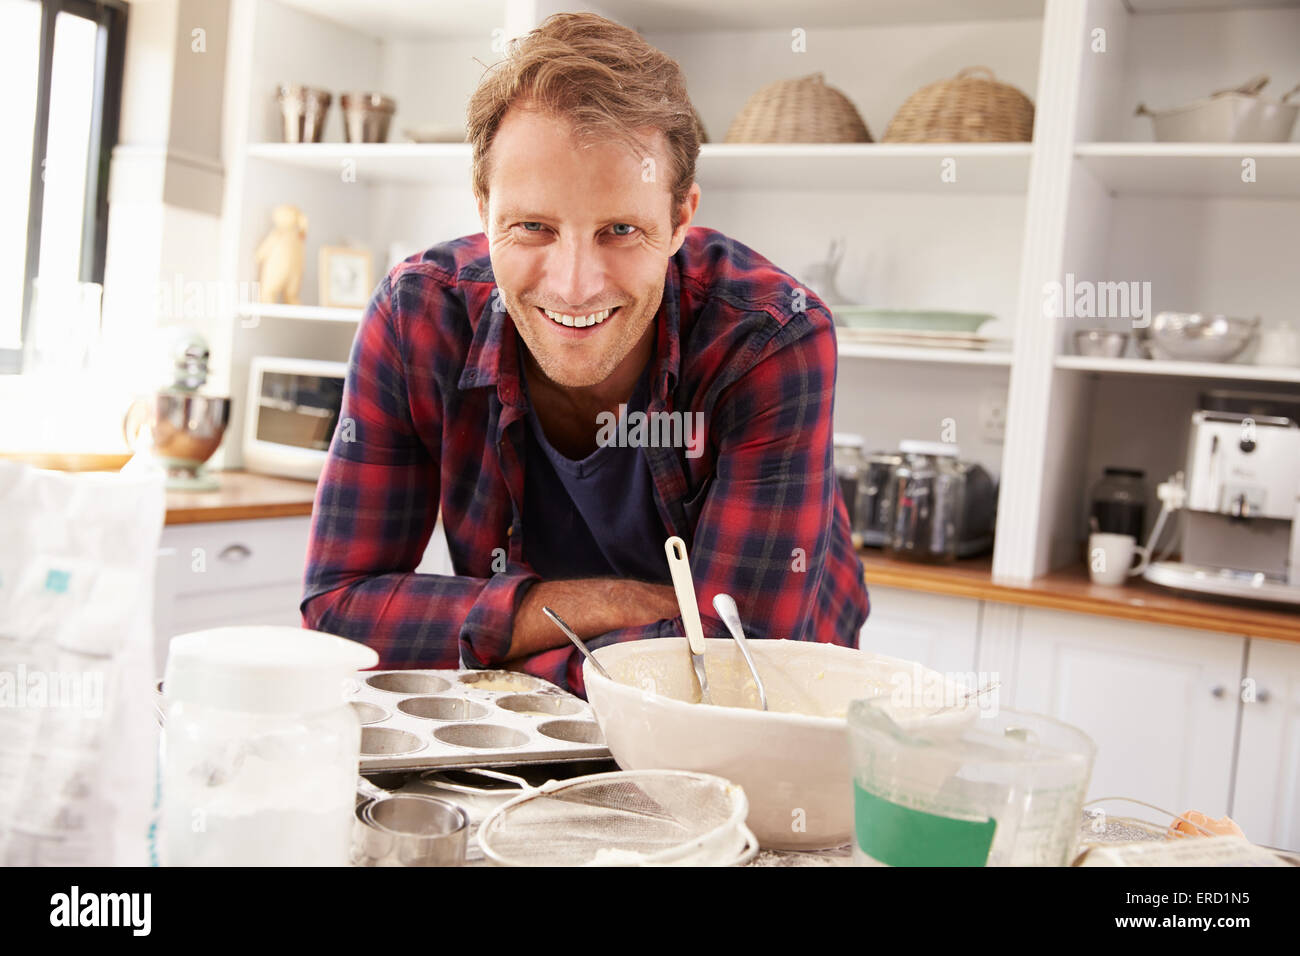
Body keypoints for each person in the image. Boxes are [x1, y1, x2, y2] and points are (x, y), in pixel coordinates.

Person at [301, 12, 869, 696]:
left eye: (621, 229)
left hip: (781, 707)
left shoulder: (772, 335)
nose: (574, 286)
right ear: (483, 208)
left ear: (680, 220)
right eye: (533, 227)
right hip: (534, 726)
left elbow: (733, 665)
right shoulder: (416, 316)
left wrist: (492, 657)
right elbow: (338, 614)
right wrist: (613, 604)